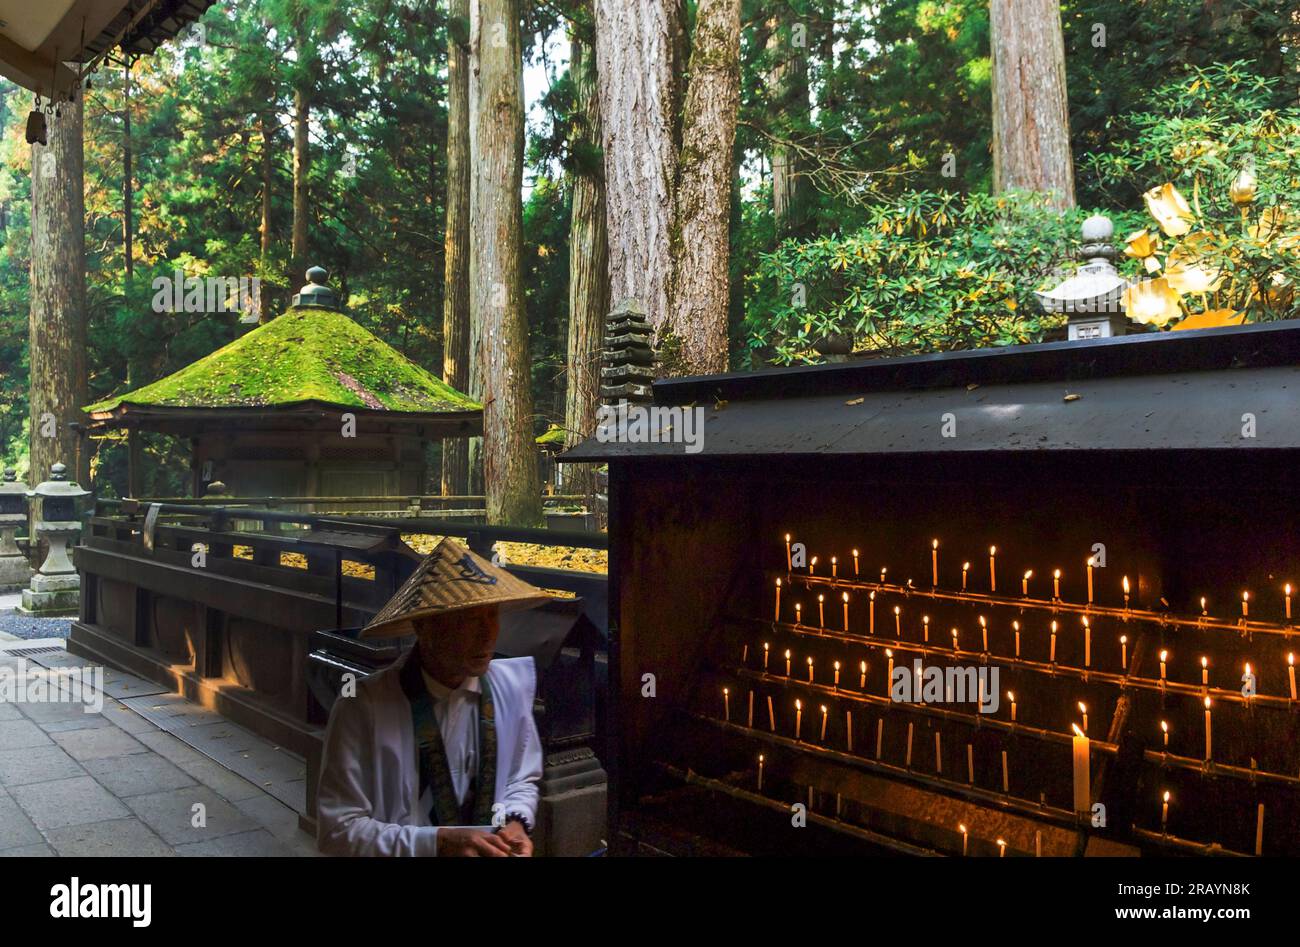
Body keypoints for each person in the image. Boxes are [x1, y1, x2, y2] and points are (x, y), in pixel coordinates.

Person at [316, 537, 549, 856]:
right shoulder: (362, 706)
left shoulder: (508, 687)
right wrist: (435, 843)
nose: (488, 633)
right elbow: (338, 831)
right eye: (468, 619)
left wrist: (515, 824)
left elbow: (521, 777)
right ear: (423, 626)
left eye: (492, 615)